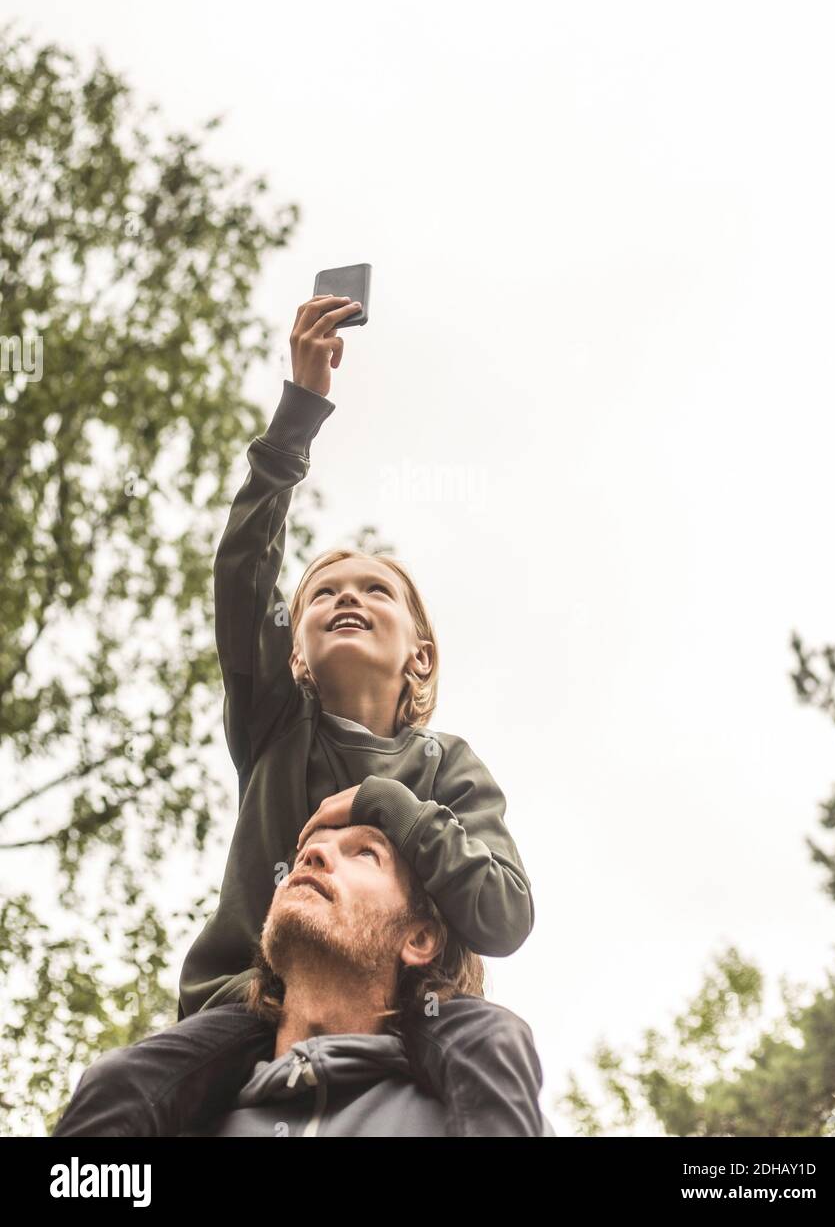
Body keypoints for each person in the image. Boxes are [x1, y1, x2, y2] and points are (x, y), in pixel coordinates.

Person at [58, 292, 539, 1136]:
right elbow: (245, 568)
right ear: (293, 652)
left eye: (375, 591)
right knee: (118, 1086)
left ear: (419, 653)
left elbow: (503, 914)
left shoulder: (447, 768)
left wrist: (381, 806)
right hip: (247, 1003)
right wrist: (297, 418)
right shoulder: (275, 724)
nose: (346, 597)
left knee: (496, 1042)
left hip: (411, 1007)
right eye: (323, 594)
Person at [54, 821, 550, 1137]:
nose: (311, 858)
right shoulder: (169, 1122)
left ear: (418, 939)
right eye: (306, 853)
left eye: (364, 853)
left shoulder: (484, 1112)